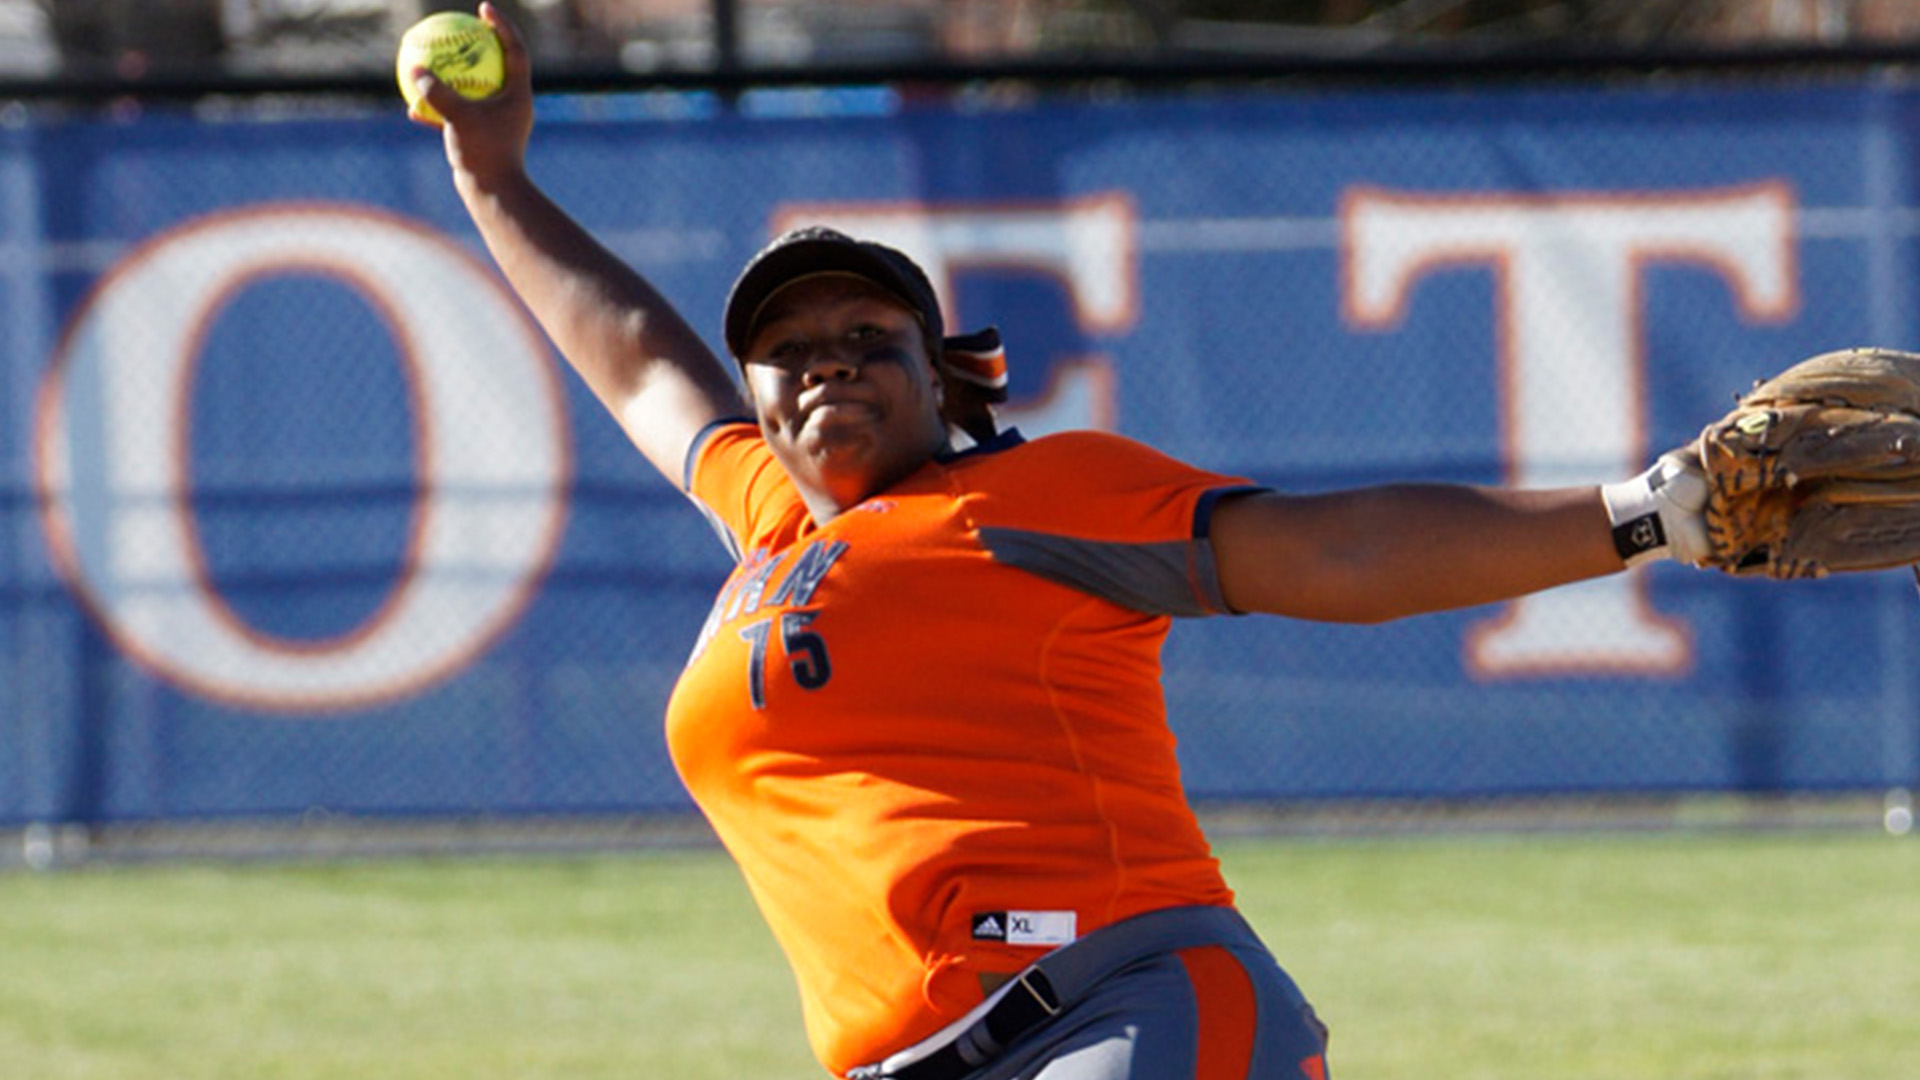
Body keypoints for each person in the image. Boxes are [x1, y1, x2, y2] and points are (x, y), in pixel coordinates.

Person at [408, 7, 1708, 1078]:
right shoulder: (767, 523)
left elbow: (1336, 552)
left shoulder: (1033, 494)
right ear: (757, 400)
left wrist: (1646, 514)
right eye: (789, 351)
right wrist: (494, 177)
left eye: (870, 339)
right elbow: (640, 360)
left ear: (940, 378)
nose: (829, 365)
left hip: (1122, 1013)